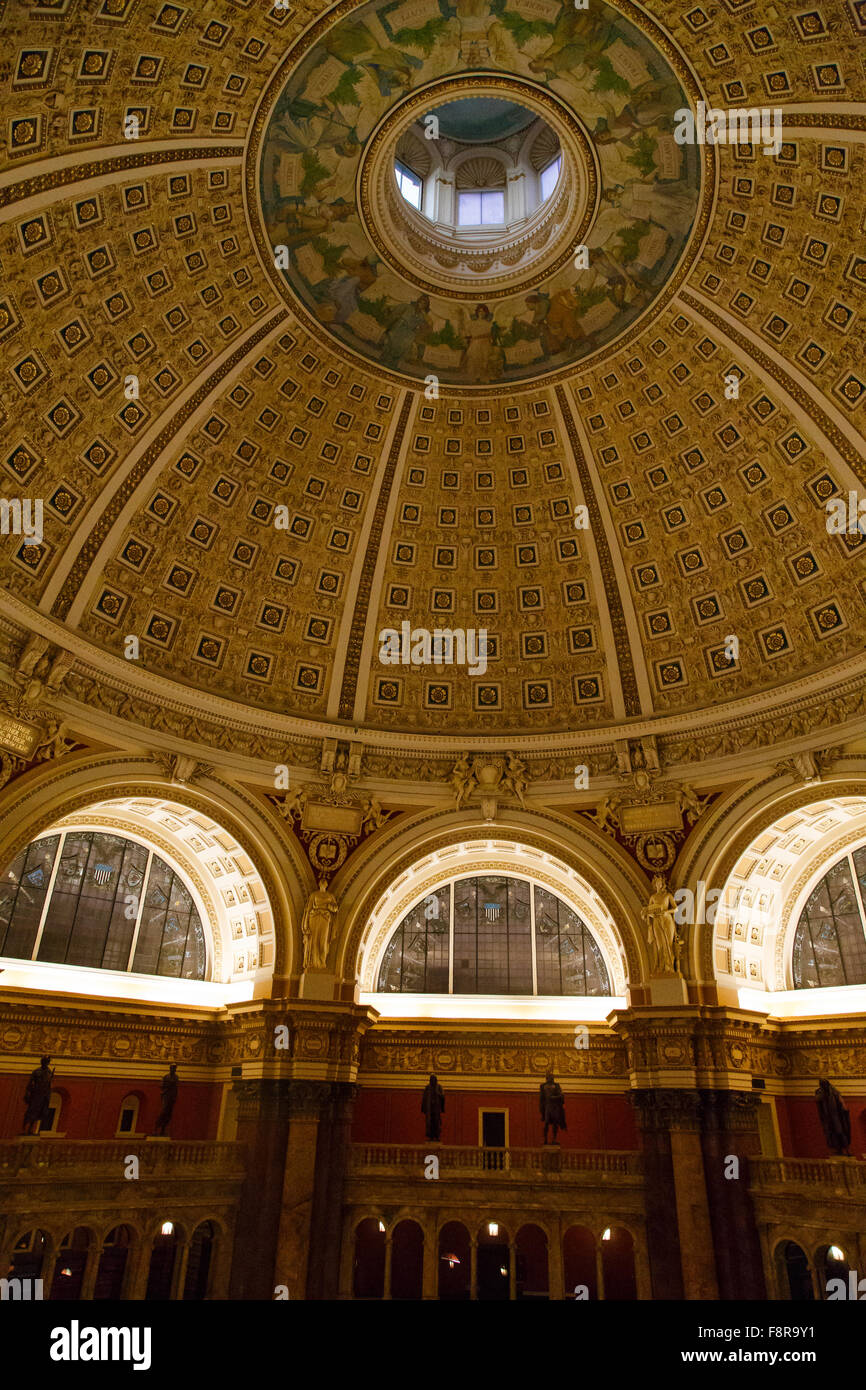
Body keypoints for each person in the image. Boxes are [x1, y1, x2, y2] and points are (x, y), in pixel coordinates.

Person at [815, 1078, 851, 1155]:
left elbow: (842, 1103)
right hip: (828, 1117)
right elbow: (818, 1099)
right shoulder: (820, 1092)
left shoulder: (834, 1092)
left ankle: (846, 1149)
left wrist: (845, 1111)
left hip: (837, 1117)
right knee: (831, 1134)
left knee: (840, 1132)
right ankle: (838, 1150)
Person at [22, 1056, 53, 1135]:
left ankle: (31, 1129)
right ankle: (24, 1127)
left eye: (47, 1061)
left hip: (44, 1095)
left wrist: (48, 1095)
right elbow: (30, 1083)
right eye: (45, 1061)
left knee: (40, 1112)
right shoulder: (36, 1071)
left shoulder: (49, 1072)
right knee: (31, 1111)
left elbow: (49, 1084)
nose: (46, 1063)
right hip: (36, 1094)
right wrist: (28, 1093)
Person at [539, 1072, 566, 1144]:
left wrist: (553, 1097)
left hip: (555, 1106)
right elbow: (541, 1098)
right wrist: (541, 1110)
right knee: (546, 1122)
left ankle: (554, 1139)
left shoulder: (556, 1086)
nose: (550, 1078)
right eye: (549, 1077)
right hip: (547, 1106)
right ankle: (545, 1139)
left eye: (551, 1077)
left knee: (555, 1123)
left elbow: (561, 1096)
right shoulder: (542, 1086)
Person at [154, 1064, 178, 1137]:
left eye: (174, 1068)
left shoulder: (176, 1077)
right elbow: (161, 1085)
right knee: (163, 1111)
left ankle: (163, 1129)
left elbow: (176, 1088)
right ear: (170, 1069)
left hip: (171, 1096)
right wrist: (166, 1087)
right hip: (166, 1095)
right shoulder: (166, 1077)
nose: (173, 1069)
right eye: (172, 1068)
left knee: (168, 1114)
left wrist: (175, 1097)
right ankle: (156, 1127)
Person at [421, 1074, 445, 1141]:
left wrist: (438, 1093)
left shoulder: (439, 1087)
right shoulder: (427, 1088)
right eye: (431, 1080)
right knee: (430, 1123)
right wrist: (423, 1108)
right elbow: (424, 1098)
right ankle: (431, 1137)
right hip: (429, 1109)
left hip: (436, 1109)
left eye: (434, 1080)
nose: (433, 1081)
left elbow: (443, 1096)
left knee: (436, 1123)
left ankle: (437, 1136)